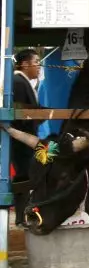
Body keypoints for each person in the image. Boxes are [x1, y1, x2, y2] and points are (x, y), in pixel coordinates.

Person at [11, 49, 41, 226]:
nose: (39, 66)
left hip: (26, 138)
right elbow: (21, 110)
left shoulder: (24, 82)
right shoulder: (18, 82)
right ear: (25, 64)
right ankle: (21, 216)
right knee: (25, 175)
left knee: (26, 175)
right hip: (22, 140)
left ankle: (22, 215)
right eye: (36, 61)